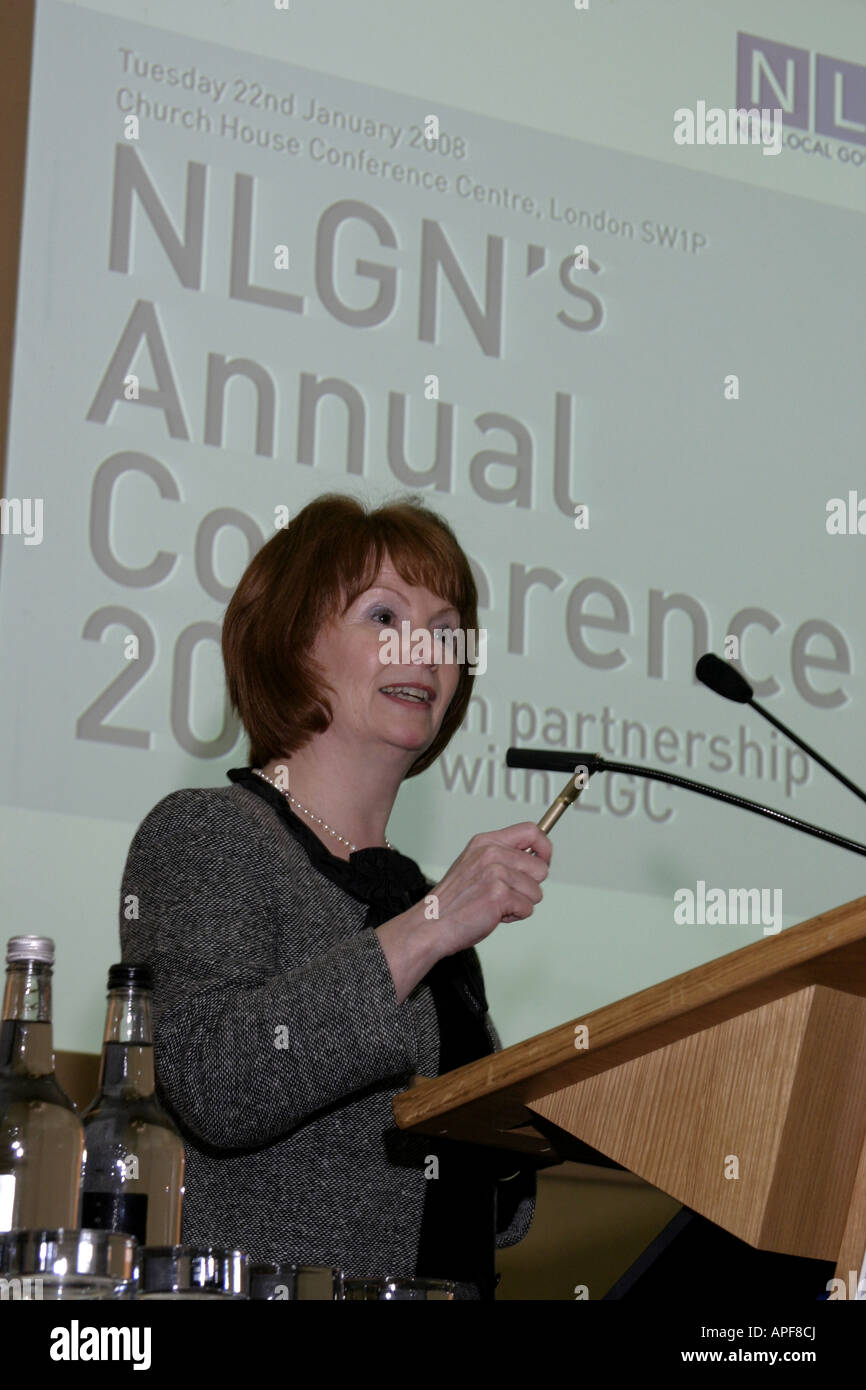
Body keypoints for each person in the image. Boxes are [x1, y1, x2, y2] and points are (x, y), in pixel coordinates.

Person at [119, 490, 551, 1299]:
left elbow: (497, 1211)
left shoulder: (416, 896)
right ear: (292, 644)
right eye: (384, 616)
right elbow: (217, 1083)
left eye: (446, 631)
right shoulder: (209, 835)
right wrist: (430, 926)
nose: (425, 649)